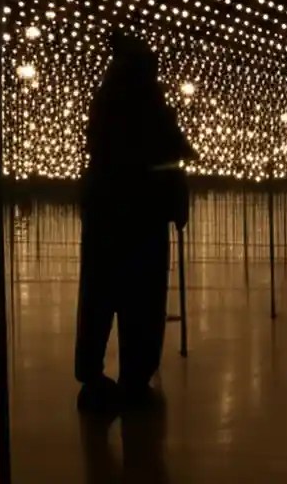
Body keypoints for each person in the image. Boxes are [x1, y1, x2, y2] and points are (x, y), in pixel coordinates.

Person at [75, 33, 195, 412]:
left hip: (107, 215)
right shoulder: (149, 105)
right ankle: (134, 376)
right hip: (142, 216)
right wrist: (175, 199)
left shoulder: (107, 102)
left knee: (99, 296)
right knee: (140, 300)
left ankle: (93, 374)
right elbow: (172, 153)